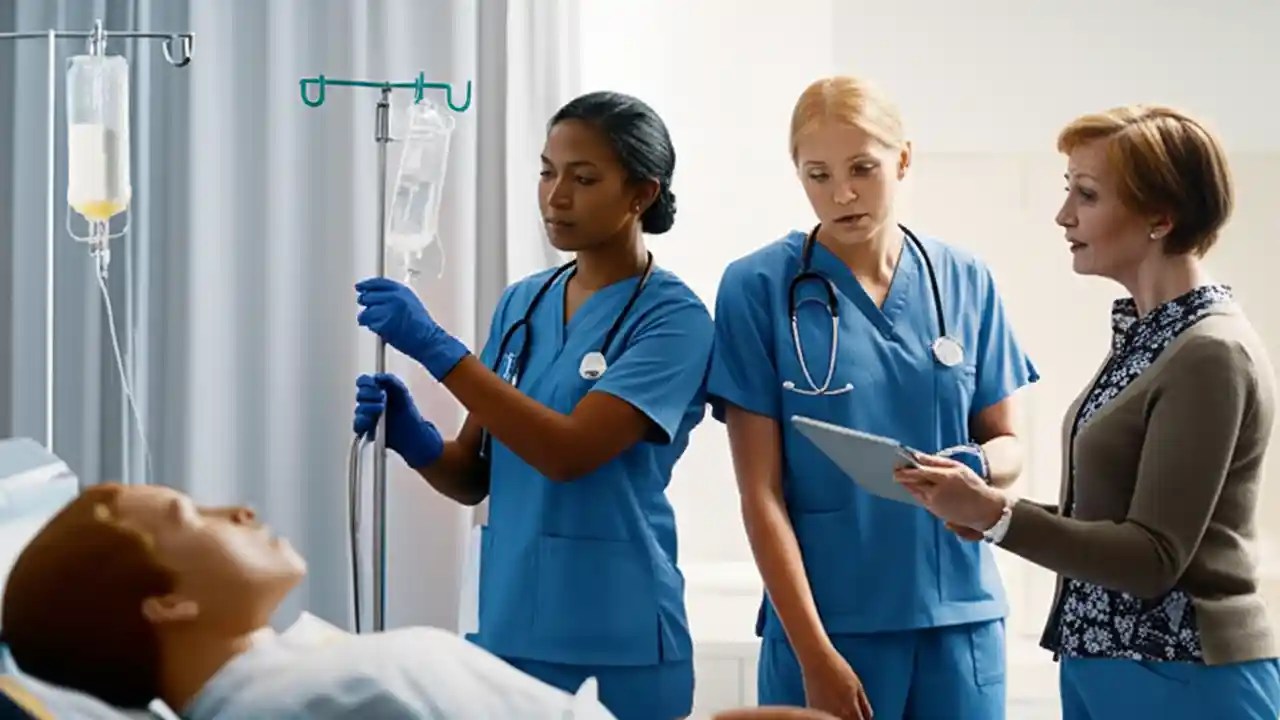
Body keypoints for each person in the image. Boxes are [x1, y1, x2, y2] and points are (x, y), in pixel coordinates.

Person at [897, 105, 1280, 719]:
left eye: (1088, 194)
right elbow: (1110, 521)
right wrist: (981, 507)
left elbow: (1153, 556)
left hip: (1184, 674)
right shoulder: (1153, 337)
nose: (1064, 215)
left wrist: (997, 516)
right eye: (1067, 190)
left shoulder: (1210, 351)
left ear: (1161, 215)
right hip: (1109, 667)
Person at [351, 90, 713, 720]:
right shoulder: (523, 304)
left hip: (620, 636)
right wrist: (416, 441)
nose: (555, 196)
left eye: (584, 178)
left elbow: (568, 452)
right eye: (547, 172)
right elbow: (473, 474)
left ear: (642, 194)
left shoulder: (674, 320)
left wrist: (438, 350)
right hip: (510, 629)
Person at [706, 75, 1039, 720]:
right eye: (818, 174)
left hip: (961, 620)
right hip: (830, 625)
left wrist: (973, 467)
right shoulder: (757, 286)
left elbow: (1011, 444)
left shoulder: (964, 279)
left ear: (904, 159)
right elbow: (760, 493)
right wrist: (813, 653)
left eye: (863, 167)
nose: (843, 193)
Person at [0, 483, 844, 720]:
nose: (240, 510)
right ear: (168, 605)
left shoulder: (300, 673)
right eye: (191, 516)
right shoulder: (331, 700)